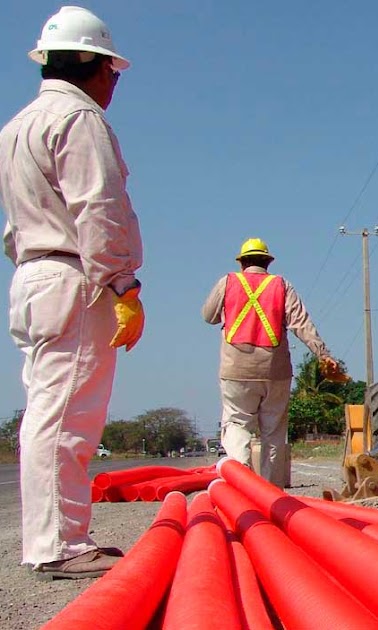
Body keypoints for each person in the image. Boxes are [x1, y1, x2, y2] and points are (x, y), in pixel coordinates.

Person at [0, 6, 143, 581]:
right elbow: (98, 206)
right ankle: (58, 544)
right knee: (67, 419)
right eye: (113, 70)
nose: (114, 83)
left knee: (46, 411)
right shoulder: (79, 121)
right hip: (75, 275)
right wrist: (122, 282)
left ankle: (55, 536)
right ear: (93, 64)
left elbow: (14, 225)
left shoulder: (16, 128)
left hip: (34, 275)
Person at [202, 238, 348, 488]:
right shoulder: (282, 285)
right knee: (273, 435)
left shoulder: (228, 282)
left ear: (242, 263)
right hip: (275, 372)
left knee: (237, 424)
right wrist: (323, 354)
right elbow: (302, 323)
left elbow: (208, 316)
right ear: (267, 262)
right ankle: (271, 493)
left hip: (236, 370)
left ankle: (243, 486)